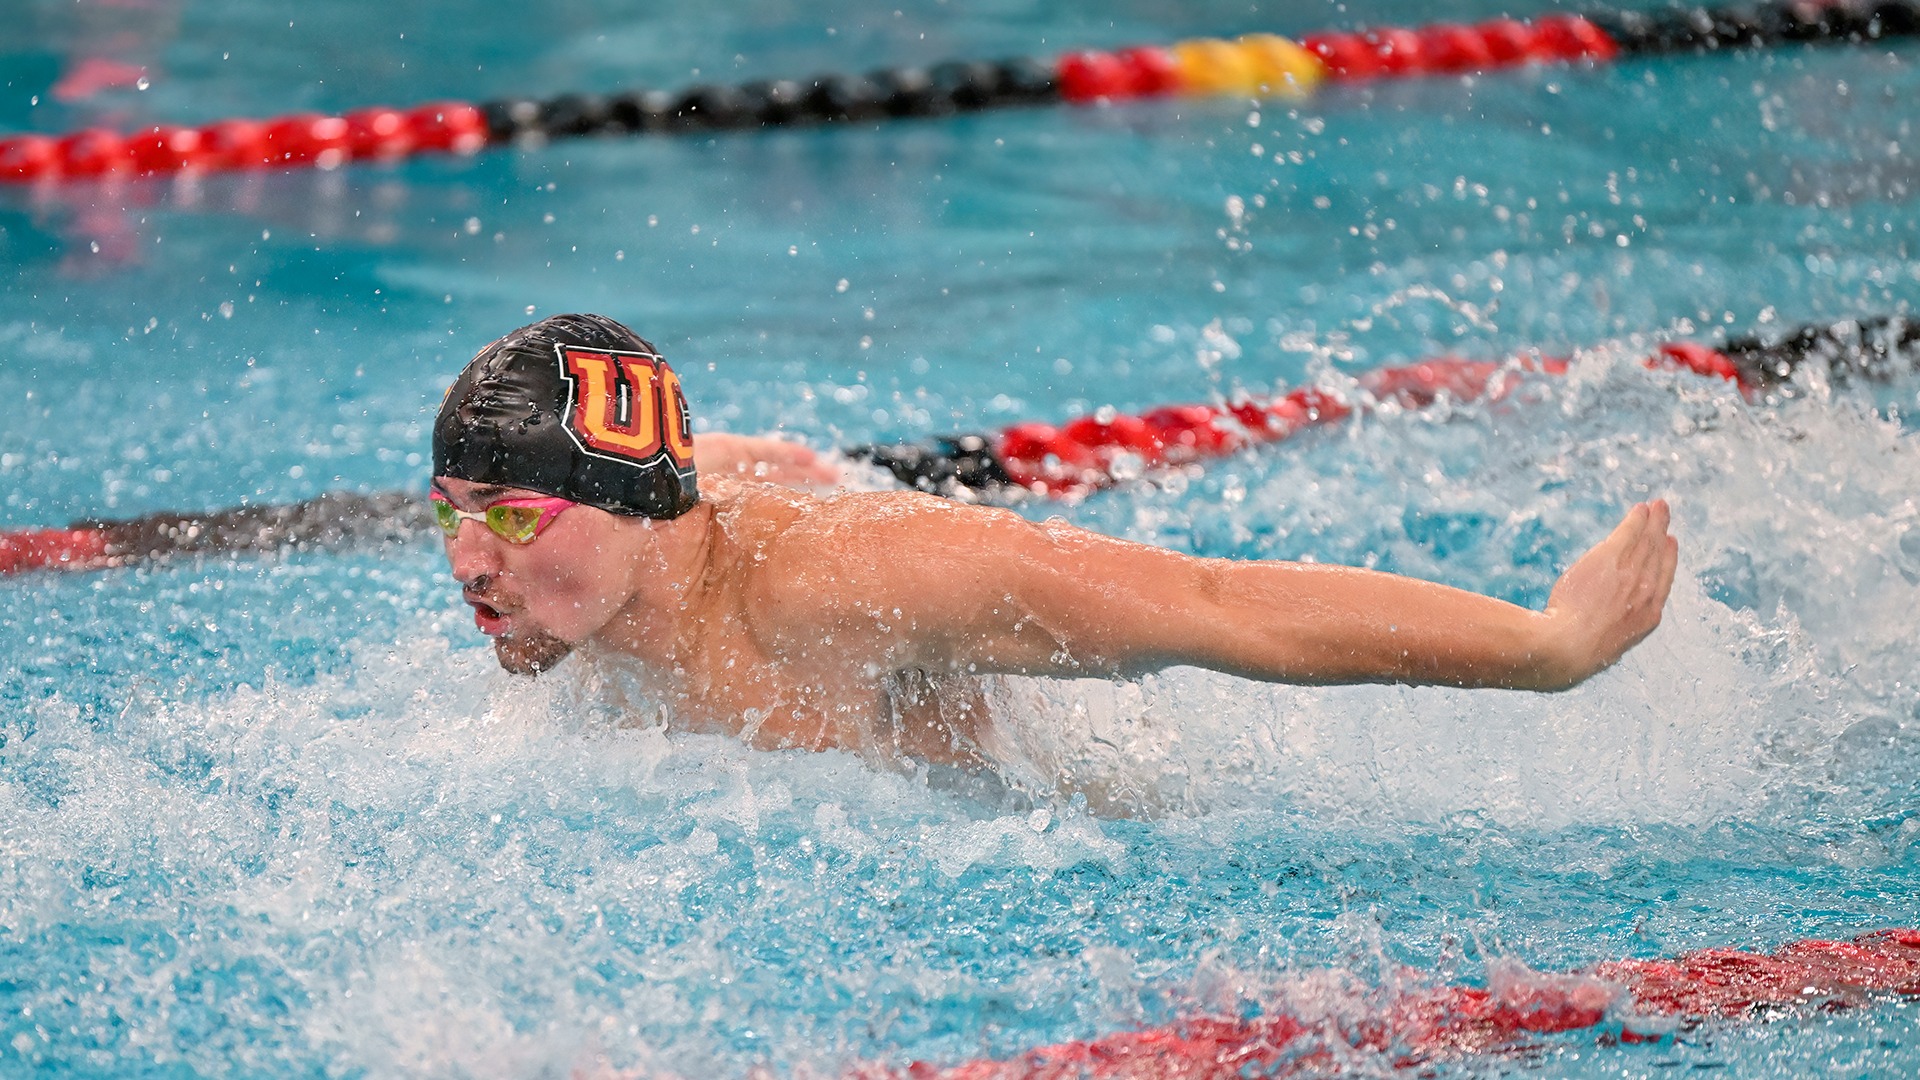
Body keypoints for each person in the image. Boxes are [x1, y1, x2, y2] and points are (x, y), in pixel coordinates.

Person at [433, 313, 1678, 768]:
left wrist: (1548, 648)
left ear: (637, 511)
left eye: (511, 518)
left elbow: (1217, 605)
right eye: (449, 512)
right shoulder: (579, 593)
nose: (468, 565)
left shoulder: (860, 586)